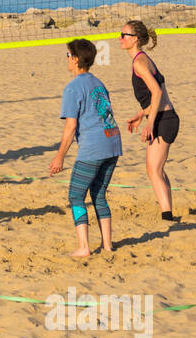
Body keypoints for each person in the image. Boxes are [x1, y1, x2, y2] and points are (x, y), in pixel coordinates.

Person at [49, 39, 123, 257]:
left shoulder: (73, 88)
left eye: (68, 55)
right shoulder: (99, 83)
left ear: (76, 59)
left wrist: (59, 157)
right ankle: (108, 246)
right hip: (113, 143)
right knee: (99, 195)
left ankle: (83, 247)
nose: (67, 59)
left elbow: (70, 128)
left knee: (75, 196)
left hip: (94, 148)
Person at [119, 20, 179, 222]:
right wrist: (141, 113)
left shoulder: (139, 62)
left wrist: (149, 123)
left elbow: (157, 91)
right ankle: (168, 212)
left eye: (124, 35)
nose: (120, 38)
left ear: (135, 39)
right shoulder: (142, 58)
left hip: (164, 120)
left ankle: (167, 217)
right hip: (164, 117)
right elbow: (156, 96)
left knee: (153, 169)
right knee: (157, 169)